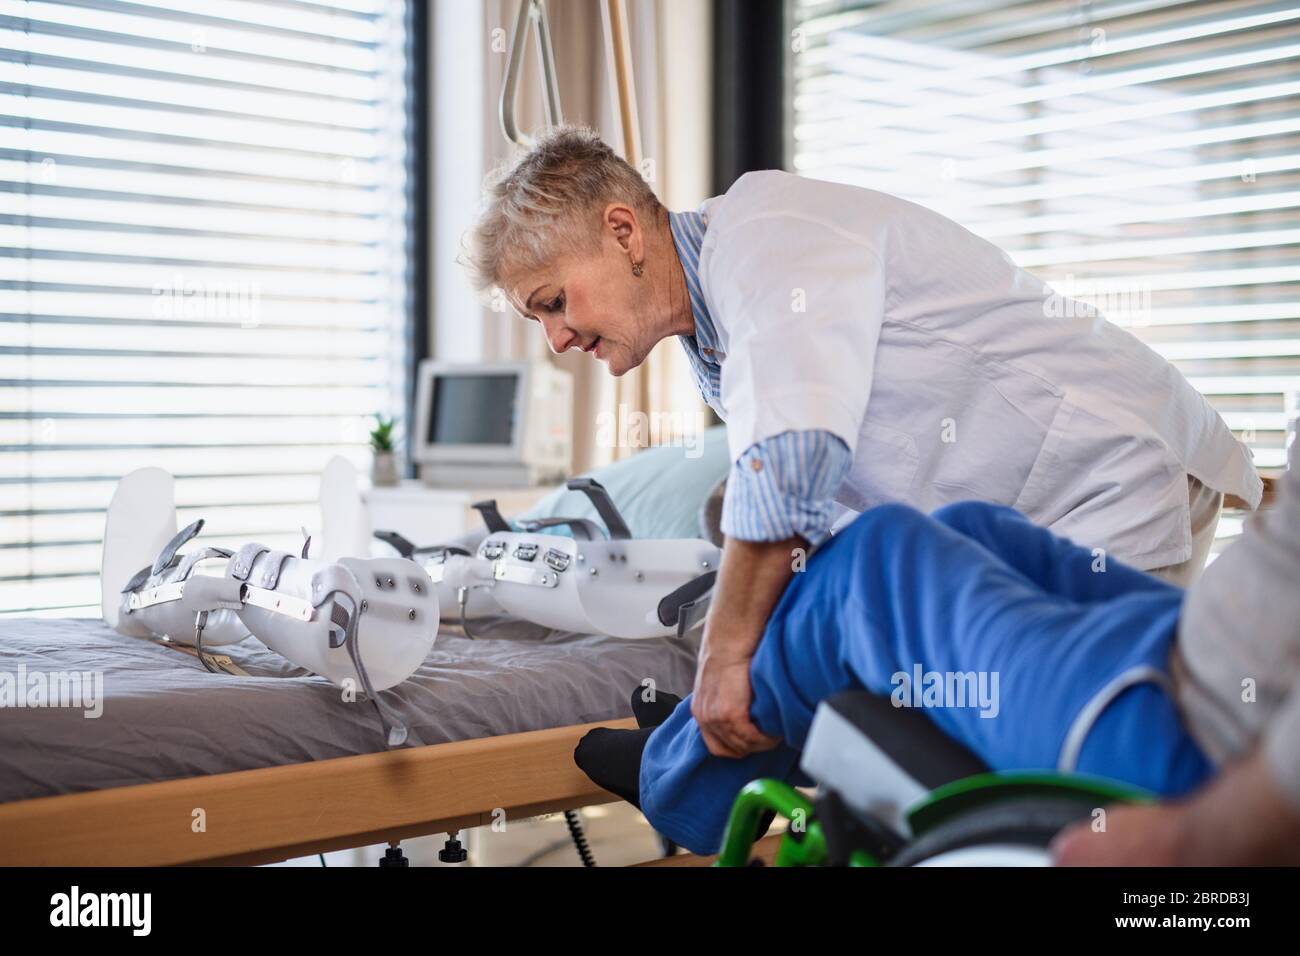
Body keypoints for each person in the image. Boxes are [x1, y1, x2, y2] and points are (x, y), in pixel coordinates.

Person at [462, 125, 1261, 767]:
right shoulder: (710, 335)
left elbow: (794, 460)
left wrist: (723, 658)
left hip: (1104, 467)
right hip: (1014, 506)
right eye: (538, 320)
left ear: (622, 230)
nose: (558, 339)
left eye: (553, 302)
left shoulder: (766, 239)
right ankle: (678, 767)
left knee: (1074, 752)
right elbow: (809, 496)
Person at [575, 439, 1300, 863]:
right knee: (974, 527)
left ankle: (686, 768)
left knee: (877, 560)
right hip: (1197, 645)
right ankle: (719, 725)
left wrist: (1192, 841)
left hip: (1195, 737)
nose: (557, 334)